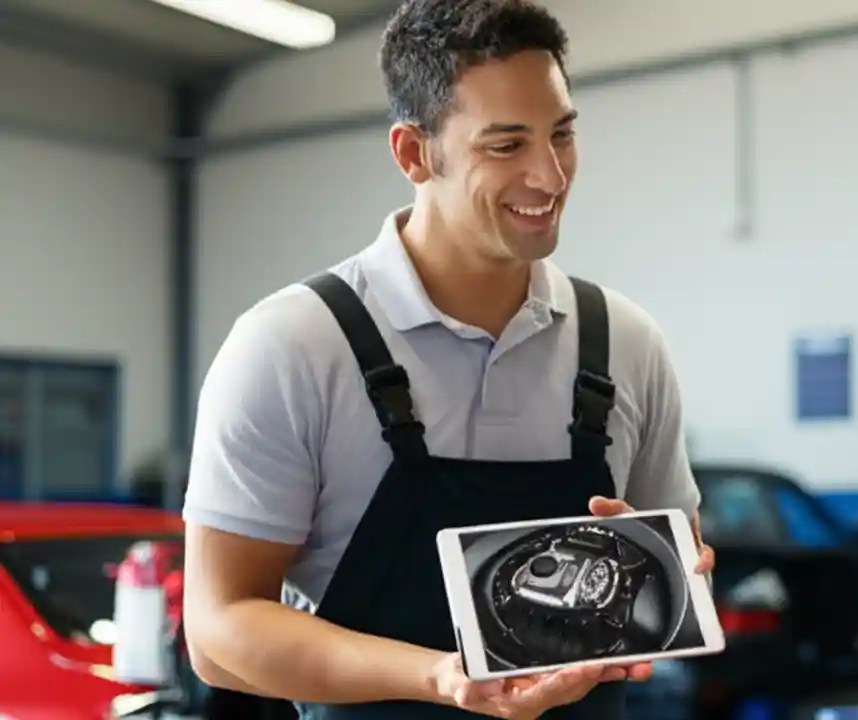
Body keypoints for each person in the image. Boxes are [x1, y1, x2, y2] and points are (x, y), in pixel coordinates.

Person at [179, 1, 713, 718]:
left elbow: (684, 588)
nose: (551, 176)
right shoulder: (291, 347)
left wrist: (670, 581)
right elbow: (218, 633)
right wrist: (441, 677)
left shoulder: (625, 344)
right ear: (413, 153)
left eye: (562, 134)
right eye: (506, 146)